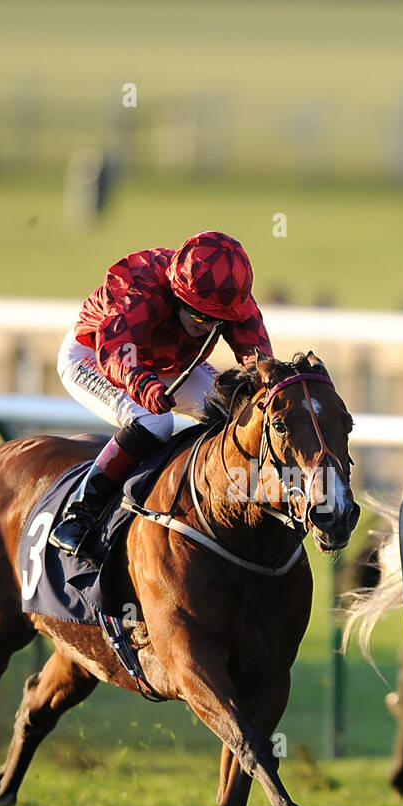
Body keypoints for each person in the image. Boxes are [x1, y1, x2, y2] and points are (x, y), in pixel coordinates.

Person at [49, 231, 272, 563]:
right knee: (155, 422)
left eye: (219, 322)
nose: (209, 326)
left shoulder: (232, 301)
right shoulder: (140, 288)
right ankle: (80, 513)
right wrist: (143, 385)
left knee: (235, 413)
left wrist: (267, 385)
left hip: (169, 362)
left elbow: (259, 364)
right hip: (95, 354)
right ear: (178, 296)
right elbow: (115, 353)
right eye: (200, 316)